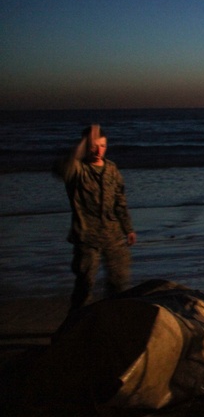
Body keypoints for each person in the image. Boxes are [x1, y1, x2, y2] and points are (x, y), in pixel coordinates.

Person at [53, 123, 137, 311]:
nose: (99, 150)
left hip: (113, 235)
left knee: (119, 283)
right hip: (86, 237)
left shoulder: (111, 169)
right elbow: (60, 169)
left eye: (103, 146)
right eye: (94, 145)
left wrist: (128, 228)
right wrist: (83, 144)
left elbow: (120, 200)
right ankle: (75, 326)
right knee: (85, 285)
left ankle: (112, 321)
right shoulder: (77, 170)